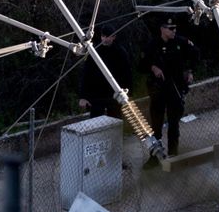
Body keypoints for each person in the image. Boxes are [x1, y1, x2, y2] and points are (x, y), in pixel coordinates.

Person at [143, 16, 200, 156]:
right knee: (156, 125)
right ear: (162, 29)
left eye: (175, 28)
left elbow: (196, 54)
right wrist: (153, 67)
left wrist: (190, 71)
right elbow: (141, 64)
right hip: (158, 90)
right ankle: (155, 156)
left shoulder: (180, 42)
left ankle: (173, 155)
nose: (174, 31)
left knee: (174, 125)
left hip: (175, 88)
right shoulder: (152, 45)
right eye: (170, 28)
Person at [78, 23, 132, 119]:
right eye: (103, 36)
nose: (105, 39)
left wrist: (128, 94)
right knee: (95, 123)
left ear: (114, 37)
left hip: (114, 95)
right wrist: (83, 96)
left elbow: (127, 74)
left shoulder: (120, 52)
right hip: (97, 95)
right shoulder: (95, 51)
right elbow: (86, 74)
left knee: (115, 122)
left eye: (108, 36)